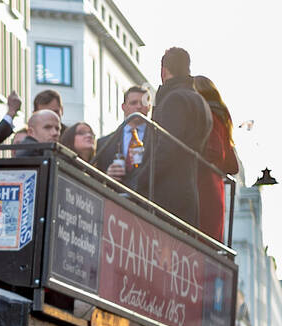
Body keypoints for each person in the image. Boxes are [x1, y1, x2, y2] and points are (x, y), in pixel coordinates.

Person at [131, 47, 212, 227]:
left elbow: (166, 149)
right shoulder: (200, 102)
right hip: (188, 192)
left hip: (166, 195)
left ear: (164, 71)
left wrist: (141, 180)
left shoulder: (174, 100)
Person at [193, 75, 240, 243]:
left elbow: (213, 152)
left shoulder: (205, 116)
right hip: (216, 190)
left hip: (201, 184)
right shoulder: (223, 118)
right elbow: (232, 166)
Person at [93, 85, 151, 184]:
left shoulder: (158, 139)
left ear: (149, 107)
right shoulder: (104, 143)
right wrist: (106, 176)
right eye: (133, 103)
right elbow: (96, 178)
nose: (139, 106)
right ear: (123, 107)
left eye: (143, 103)